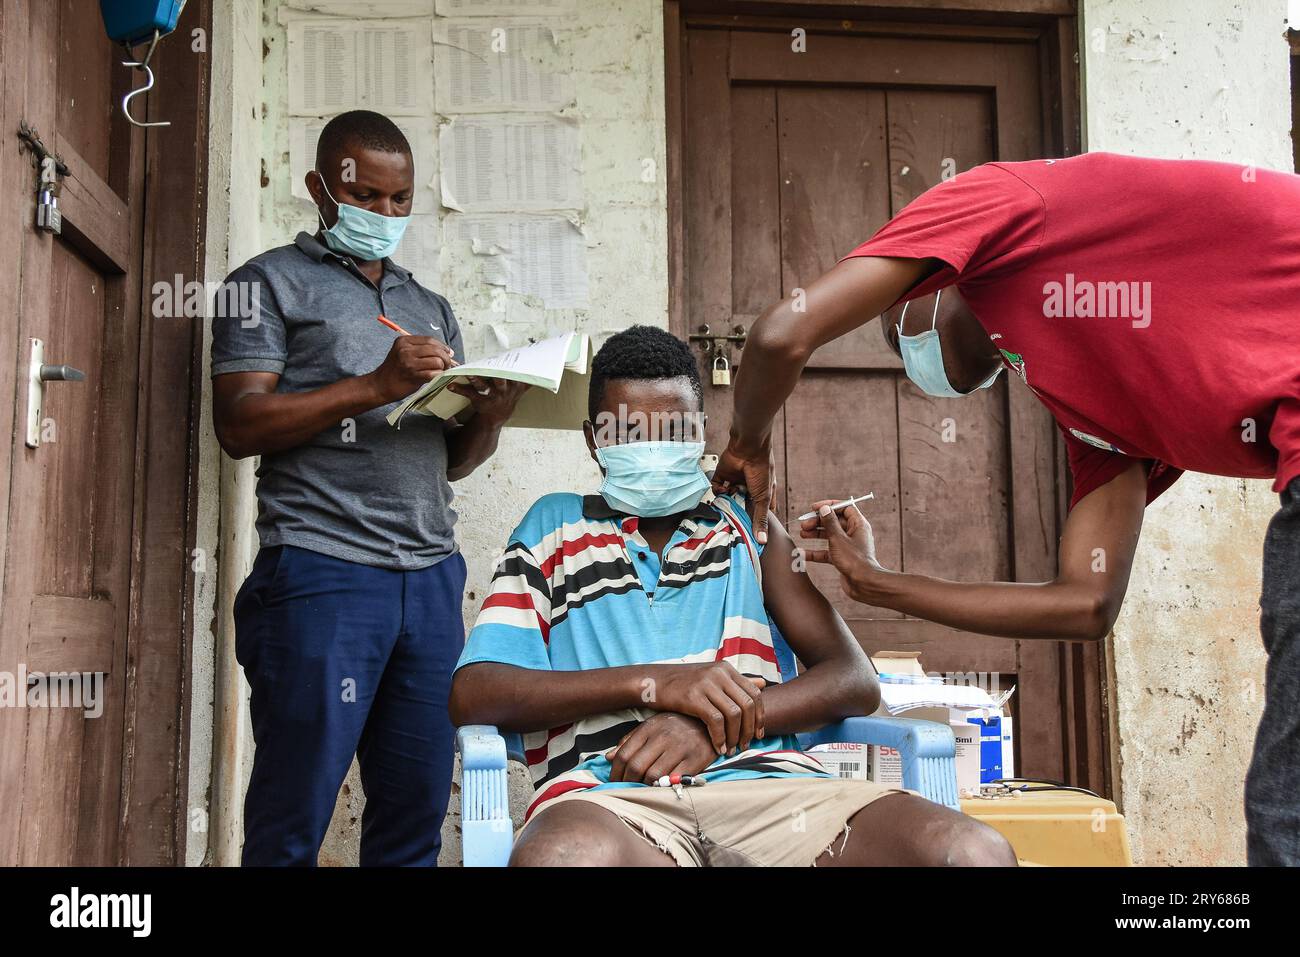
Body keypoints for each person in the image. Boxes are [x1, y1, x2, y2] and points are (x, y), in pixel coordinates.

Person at [713, 151, 1300, 866]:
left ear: (928, 279)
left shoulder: (996, 197)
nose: (909, 355)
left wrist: (748, 444)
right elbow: (1085, 603)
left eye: (896, 328)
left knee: (1286, 813)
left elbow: (781, 334)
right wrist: (877, 583)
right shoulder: (1091, 405)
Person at [449, 325, 1016, 867]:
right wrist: (659, 683)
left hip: (773, 791)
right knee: (561, 858)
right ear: (594, 440)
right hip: (611, 800)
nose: (652, 449)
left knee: (971, 852)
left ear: (701, 432)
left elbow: (852, 680)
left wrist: (707, 727)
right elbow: (476, 694)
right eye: (628, 433)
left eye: (674, 432)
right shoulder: (553, 527)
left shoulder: (746, 527)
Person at [210, 109, 525, 866]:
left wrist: (491, 416)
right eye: (368, 197)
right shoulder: (263, 284)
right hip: (321, 574)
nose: (386, 214)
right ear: (321, 188)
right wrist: (375, 383)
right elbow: (240, 424)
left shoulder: (427, 305)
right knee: (292, 822)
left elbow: (448, 461)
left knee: (412, 821)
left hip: (429, 579)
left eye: (401, 199)